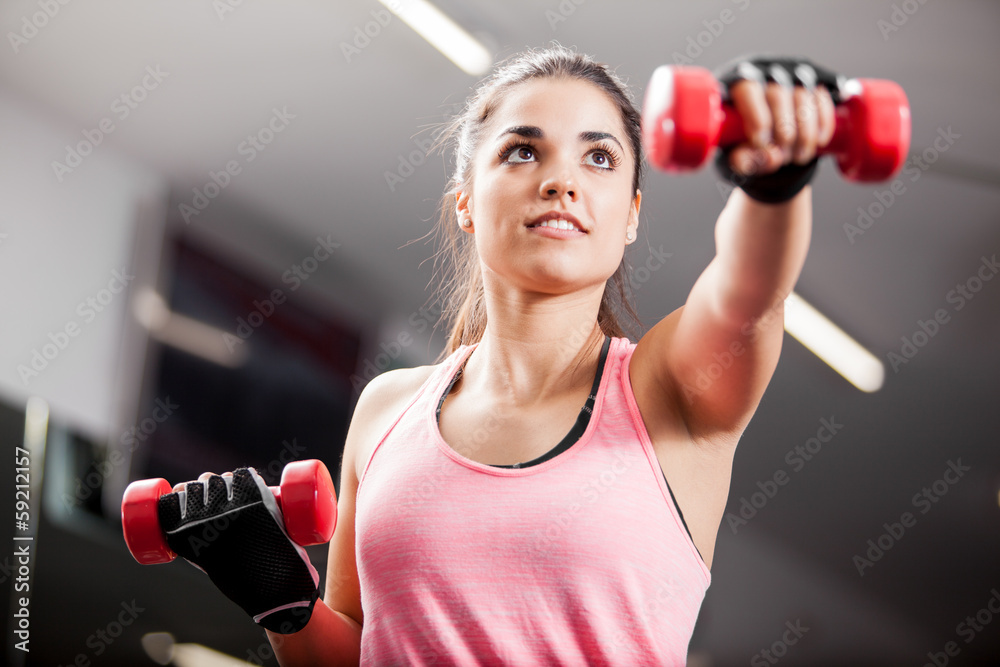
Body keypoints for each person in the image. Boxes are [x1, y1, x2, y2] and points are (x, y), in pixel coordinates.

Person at [157, 46, 838, 665]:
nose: (560, 181)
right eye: (521, 151)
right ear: (465, 202)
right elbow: (358, 652)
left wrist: (772, 182)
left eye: (598, 157)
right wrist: (284, 600)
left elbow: (749, 292)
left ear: (630, 215)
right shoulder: (388, 408)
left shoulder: (671, 390)